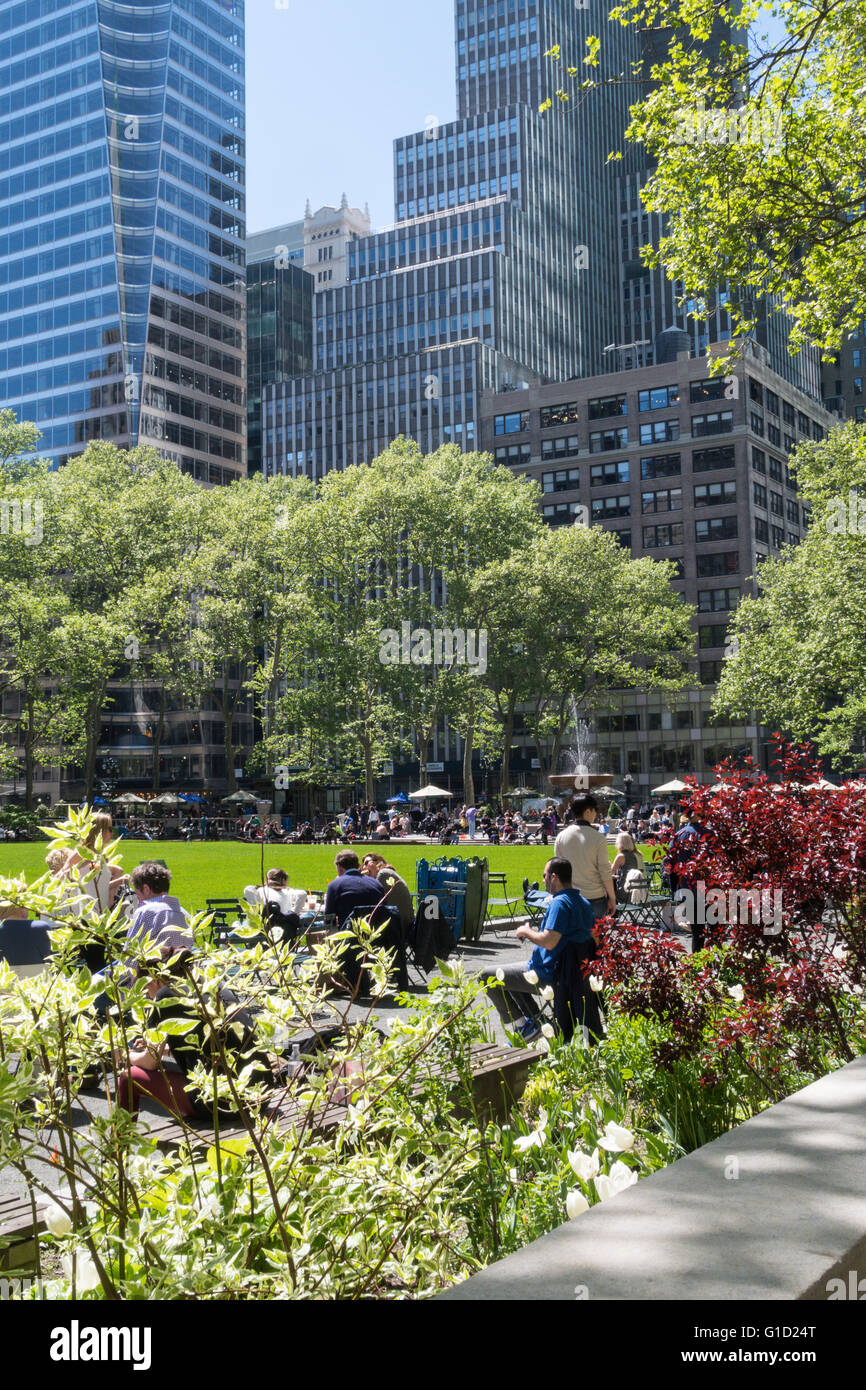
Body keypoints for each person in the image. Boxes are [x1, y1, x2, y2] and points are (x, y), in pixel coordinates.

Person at [114, 947, 262, 1121]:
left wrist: (124, 1054)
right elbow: (210, 1040)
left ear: (155, 980)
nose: (148, 996)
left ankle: (120, 1145)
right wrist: (166, 1049)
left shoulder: (165, 996)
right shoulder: (210, 983)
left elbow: (150, 1062)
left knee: (129, 1078)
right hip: (258, 1094)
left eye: (146, 989)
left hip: (225, 1102)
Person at [482, 858, 595, 1041]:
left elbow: (549, 941)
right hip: (570, 975)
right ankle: (537, 1021)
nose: (543, 881)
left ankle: (524, 1025)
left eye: (545, 876)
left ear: (554, 877)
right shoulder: (583, 903)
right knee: (510, 974)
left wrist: (526, 931)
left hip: (548, 973)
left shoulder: (560, 903)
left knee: (486, 975)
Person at [554, 796, 617, 924]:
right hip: (594, 898)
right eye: (595, 811)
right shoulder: (598, 838)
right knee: (594, 941)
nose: (596, 815)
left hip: (569, 898)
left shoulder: (561, 836)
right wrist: (612, 897)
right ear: (587, 812)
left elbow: (557, 868)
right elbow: (605, 871)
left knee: (572, 939)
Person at [125, 862, 193, 962]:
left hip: (150, 975)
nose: (138, 900)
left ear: (146, 889)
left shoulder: (144, 912)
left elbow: (130, 958)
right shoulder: (185, 914)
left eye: (137, 895)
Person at [323, 850, 385, 928]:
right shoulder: (376, 884)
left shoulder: (335, 885)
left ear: (339, 866)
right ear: (358, 865)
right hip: (375, 934)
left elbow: (328, 919)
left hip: (349, 934)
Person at [243, 869, 306, 943]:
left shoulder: (261, 891)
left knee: (244, 923)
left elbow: (248, 889)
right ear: (284, 881)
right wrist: (294, 912)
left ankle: (227, 937)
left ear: (268, 880)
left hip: (263, 931)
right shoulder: (288, 892)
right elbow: (303, 894)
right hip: (284, 930)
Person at [361, 853, 414, 935]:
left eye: (367, 863)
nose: (364, 867)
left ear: (378, 862)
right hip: (401, 927)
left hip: (397, 931)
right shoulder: (387, 873)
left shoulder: (383, 874)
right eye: (363, 865)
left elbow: (371, 903)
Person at [611, 831, 644, 904]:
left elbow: (610, 872)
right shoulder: (634, 855)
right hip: (634, 890)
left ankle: (612, 912)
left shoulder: (621, 856)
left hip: (623, 891)